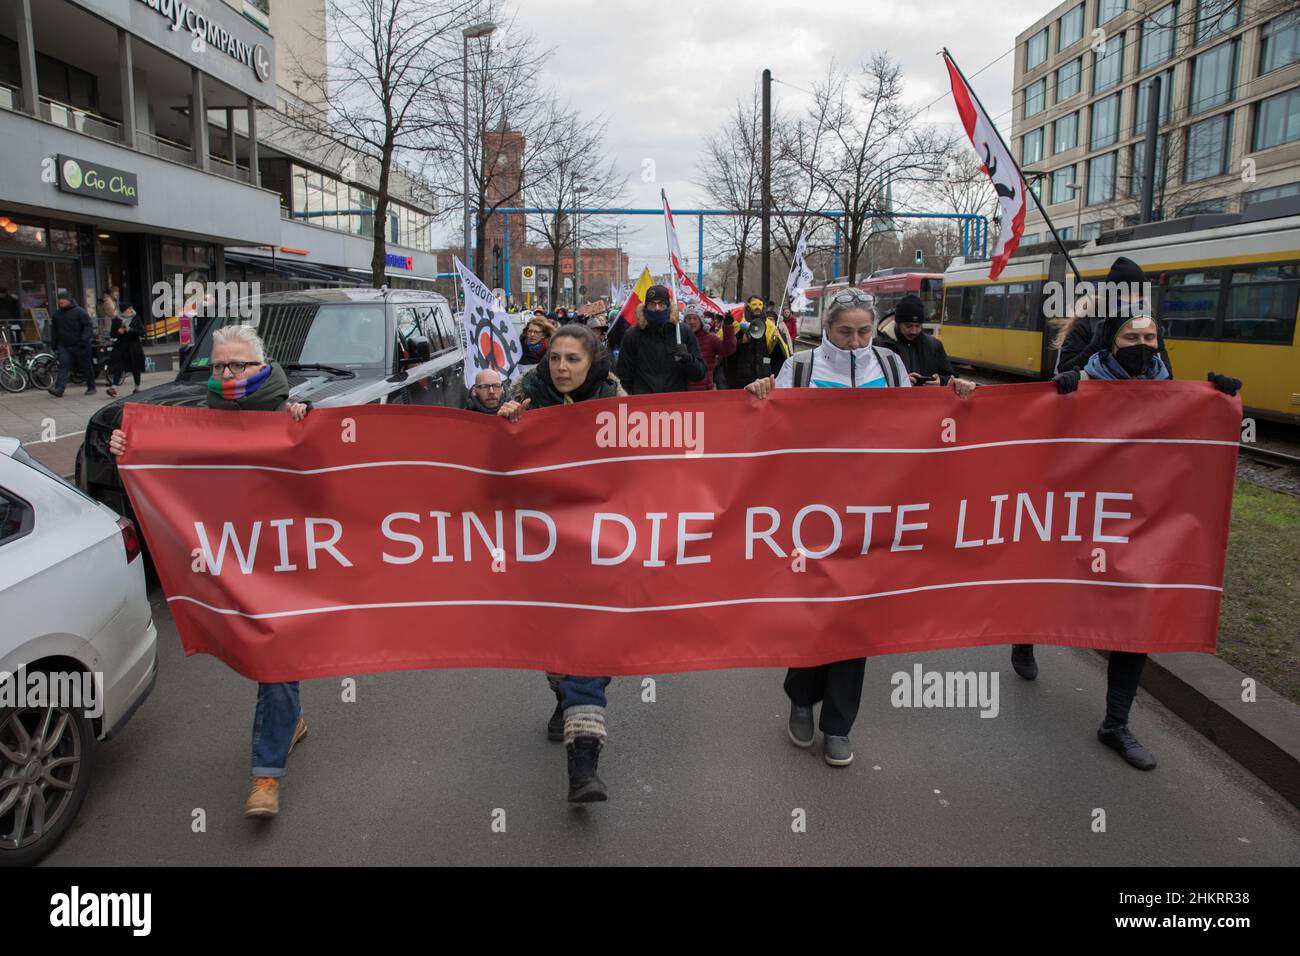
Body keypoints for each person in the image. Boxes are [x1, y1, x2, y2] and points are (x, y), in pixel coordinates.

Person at [746, 287, 975, 767]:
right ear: (826, 329)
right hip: (812, 515)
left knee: (856, 619)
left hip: (874, 513)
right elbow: (769, 433)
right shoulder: (803, 369)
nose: (855, 342)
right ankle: (801, 696)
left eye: (864, 332)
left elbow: (916, 429)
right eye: (845, 332)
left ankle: (839, 725)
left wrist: (957, 399)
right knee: (814, 613)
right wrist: (758, 397)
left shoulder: (890, 367)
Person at [108, 325, 311, 816]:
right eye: (218, 365)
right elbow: (166, 471)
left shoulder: (292, 411)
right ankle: (293, 720)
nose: (225, 373)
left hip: (287, 559)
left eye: (236, 365)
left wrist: (306, 423)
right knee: (263, 653)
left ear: (260, 366)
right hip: (232, 558)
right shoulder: (199, 419)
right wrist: (128, 448)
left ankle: (266, 777)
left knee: (273, 656)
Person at [1042, 307, 1241, 770]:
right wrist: (1060, 398)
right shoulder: (1081, 384)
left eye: (1151, 338)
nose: (1144, 346)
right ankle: (1026, 639)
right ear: (1111, 341)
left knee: (1136, 618)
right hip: (1080, 518)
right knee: (1050, 592)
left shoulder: (1170, 389)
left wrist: (1220, 400)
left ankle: (1115, 723)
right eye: (1133, 337)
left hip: (1139, 522)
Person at [497, 324, 625, 803]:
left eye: (573, 359)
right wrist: (502, 427)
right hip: (538, 543)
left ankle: (583, 766)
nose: (562, 368)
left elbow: (642, 461)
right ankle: (562, 697)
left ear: (592, 362)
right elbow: (483, 463)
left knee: (587, 647)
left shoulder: (614, 399)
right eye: (555, 358)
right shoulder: (523, 396)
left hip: (596, 544)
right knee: (553, 642)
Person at [614, 284, 706, 395]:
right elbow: (624, 376)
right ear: (646, 307)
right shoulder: (632, 335)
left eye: (661, 304)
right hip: (644, 405)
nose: (657, 309)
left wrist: (688, 359)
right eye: (653, 304)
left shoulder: (682, 332)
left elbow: (700, 374)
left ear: (668, 306)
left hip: (675, 404)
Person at [880, 293, 970, 389]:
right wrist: (901, 381)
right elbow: (871, 380)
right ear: (897, 323)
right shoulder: (880, 345)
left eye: (918, 326)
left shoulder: (934, 345)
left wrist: (941, 381)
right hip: (895, 402)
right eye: (908, 326)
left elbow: (951, 377)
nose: (914, 331)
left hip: (927, 402)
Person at [723, 295, 791, 391]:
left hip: (763, 376)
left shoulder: (770, 326)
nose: (757, 307)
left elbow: (775, 355)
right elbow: (729, 350)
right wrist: (742, 342)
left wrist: (775, 342)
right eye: (754, 304)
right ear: (748, 306)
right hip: (742, 377)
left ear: (763, 306)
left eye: (760, 304)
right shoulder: (739, 323)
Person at [47, 289, 96, 397]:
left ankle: (91, 387)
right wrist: (54, 343)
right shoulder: (57, 314)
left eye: (63, 299)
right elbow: (54, 330)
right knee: (63, 366)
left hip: (80, 345)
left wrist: (84, 340)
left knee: (86, 366)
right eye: (59, 299)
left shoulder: (80, 312)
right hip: (63, 345)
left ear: (69, 300)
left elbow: (88, 327)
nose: (61, 301)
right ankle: (59, 389)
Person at [685, 306, 735, 392]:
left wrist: (728, 326)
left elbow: (728, 349)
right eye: (689, 318)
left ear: (701, 321)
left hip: (705, 391)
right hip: (683, 392)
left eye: (695, 318)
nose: (692, 322)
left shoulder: (710, 339)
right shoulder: (680, 340)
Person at [106, 304, 146, 397]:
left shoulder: (136, 317)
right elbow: (112, 334)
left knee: (136, 367)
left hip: (134, 347)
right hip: (121, 348)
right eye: (129, 309)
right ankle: (114, 388)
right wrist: (118, 332)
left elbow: (142, 332)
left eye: (131, 308)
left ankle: (137, 388)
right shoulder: (116, 320)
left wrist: (130, 330)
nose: (131, 310)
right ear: (123, 310)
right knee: (118, 367)